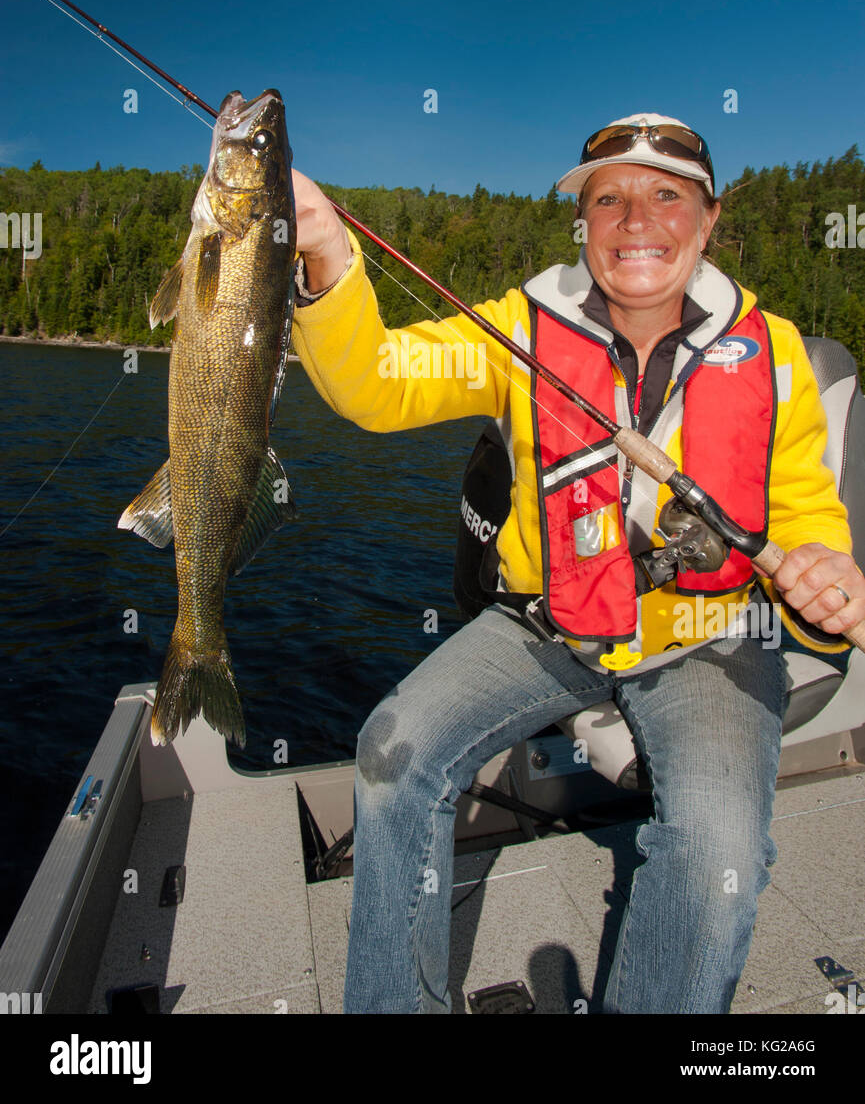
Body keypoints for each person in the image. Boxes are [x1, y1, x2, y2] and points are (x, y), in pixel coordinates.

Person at [290, 113, 865, 1014]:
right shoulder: (518, 325)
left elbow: (801, 508)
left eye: (665, 195)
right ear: (583, 223)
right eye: (608, 200)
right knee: (391, 757)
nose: (636, 219)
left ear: (707, 221)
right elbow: (376, 381)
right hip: (546, 620)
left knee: (716, 846)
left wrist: (826, 563)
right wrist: (326, 254)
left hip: (708, 635)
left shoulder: (776, 349)